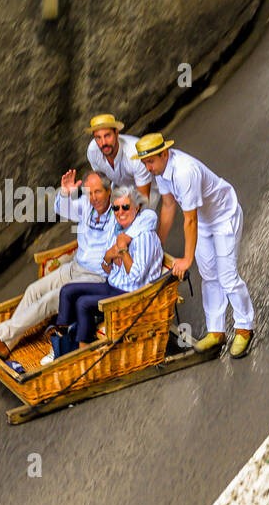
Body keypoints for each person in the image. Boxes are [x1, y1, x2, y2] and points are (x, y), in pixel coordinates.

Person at [132, 133, 255, 358]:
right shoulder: (160, 171)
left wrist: (187, 259)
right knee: (209, 275)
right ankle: (216, 332)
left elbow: (190, 220)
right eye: (144, 162)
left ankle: (244, 328)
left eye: (150, 161)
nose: (147, 167)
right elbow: (168, 206)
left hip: (223, 216)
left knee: (227, 276)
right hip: (204, 221)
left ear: (164, 153)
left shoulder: (183, 172)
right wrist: (156, 245)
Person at [0, 170, 116, 358]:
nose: (93, 198)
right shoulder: (87, 206)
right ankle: (5, 343)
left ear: (109, 190)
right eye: (89, 193)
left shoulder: (117, 216)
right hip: (75, 268)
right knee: (33, 290)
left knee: (49, 300)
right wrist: (64, 193)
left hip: (94, 278)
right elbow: (62, 209)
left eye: (98, 192)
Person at [52, 186, 165, 348]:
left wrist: (123, 250)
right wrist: (108, 256)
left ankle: (82, 353)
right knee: (67, 291)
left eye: (125, 207)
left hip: (132, 294)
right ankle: (64, 339)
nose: (120, 212)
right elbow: (107, 269)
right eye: (116, 208)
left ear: (137, 207)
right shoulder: (119, 230)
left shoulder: (145, 237)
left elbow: (136, 276)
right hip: (113, 285)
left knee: (83, 303)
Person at [85, 113, 153, 202]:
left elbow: (142, 198)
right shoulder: (92, 151)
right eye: (98, 137)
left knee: (146, 213)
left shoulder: (135, 153)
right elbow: (102, 181)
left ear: (116, 133)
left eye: (107, 135)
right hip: (120, 187)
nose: (103, 143)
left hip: (149, 186)